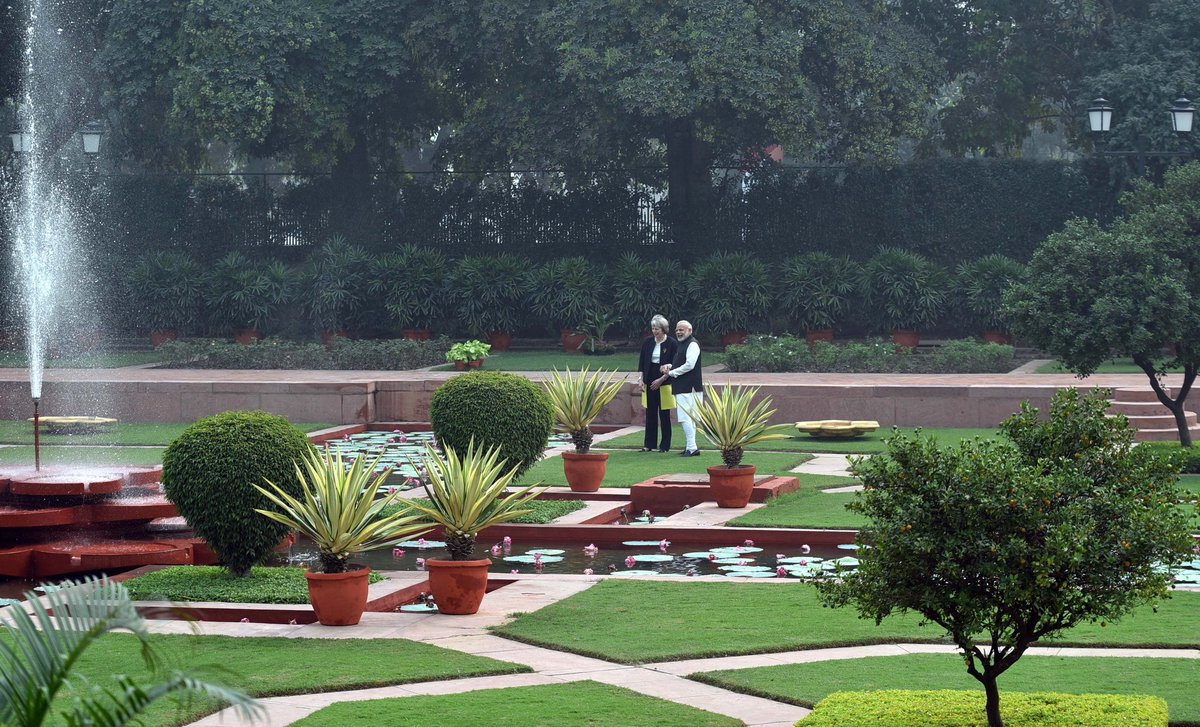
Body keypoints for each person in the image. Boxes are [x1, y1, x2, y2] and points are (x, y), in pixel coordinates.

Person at [652, 319, 702, 456]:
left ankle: (692, 448)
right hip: (682, 386)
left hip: (688, 386)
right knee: (688, 418)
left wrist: (672, 372)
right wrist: (669, 366)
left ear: (690, 331)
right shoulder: (682, 344)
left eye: (682, 329)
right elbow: (680, 362)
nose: (679, 332)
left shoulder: (692, 344)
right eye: (677, 330)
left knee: (686, 417)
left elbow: (689, 365)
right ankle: (691, 447)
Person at [636, 315, 678, 452]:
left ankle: (665, 446)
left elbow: (675, 363)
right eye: (653, 328)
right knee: (650, 413)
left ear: (664, 329)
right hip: (649, 378)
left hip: (665, 381)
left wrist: (661, 380)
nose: (655, 331)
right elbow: (642, 362)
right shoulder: (648, 342)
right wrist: (641, 379)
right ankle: (649, 444)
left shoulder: (671, 343)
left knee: (664, 414)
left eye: (657, 329)